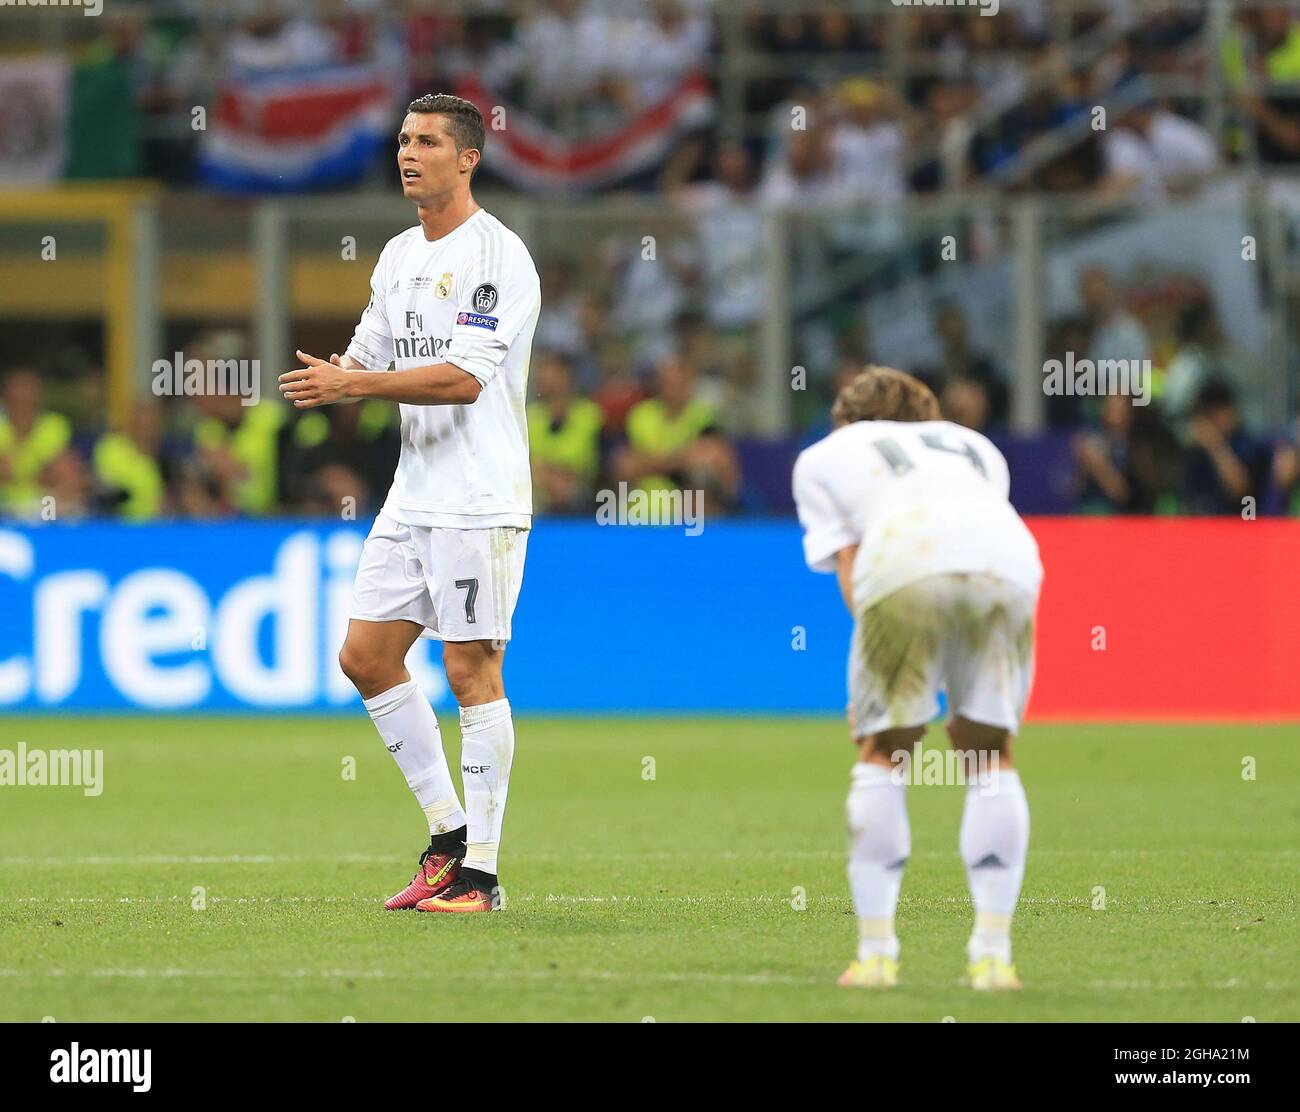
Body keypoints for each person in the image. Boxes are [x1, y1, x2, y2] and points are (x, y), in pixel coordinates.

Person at [278, 94, 541, 914]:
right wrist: (336, 376)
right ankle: (447, 835)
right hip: (414, 495)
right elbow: (372, 352)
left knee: (471, 670)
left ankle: (483, 877)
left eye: (427, 141)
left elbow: (463, 380)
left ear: (468, 157)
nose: (408, 153)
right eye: (402, 140)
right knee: (365, 656)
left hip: (478, 499)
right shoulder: (395, 255)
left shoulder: (498, 255)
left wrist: (354, 381)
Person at [792, 367, 1043, 991]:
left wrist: (877, 695)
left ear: (849, 418)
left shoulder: (826, 455)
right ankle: (992, 956)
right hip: (1010, 559)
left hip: (904, 557)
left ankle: (876, 957)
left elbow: (855, 566)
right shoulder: (974, 445)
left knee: (884, 753)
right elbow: (974, 529)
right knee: (989, 752)